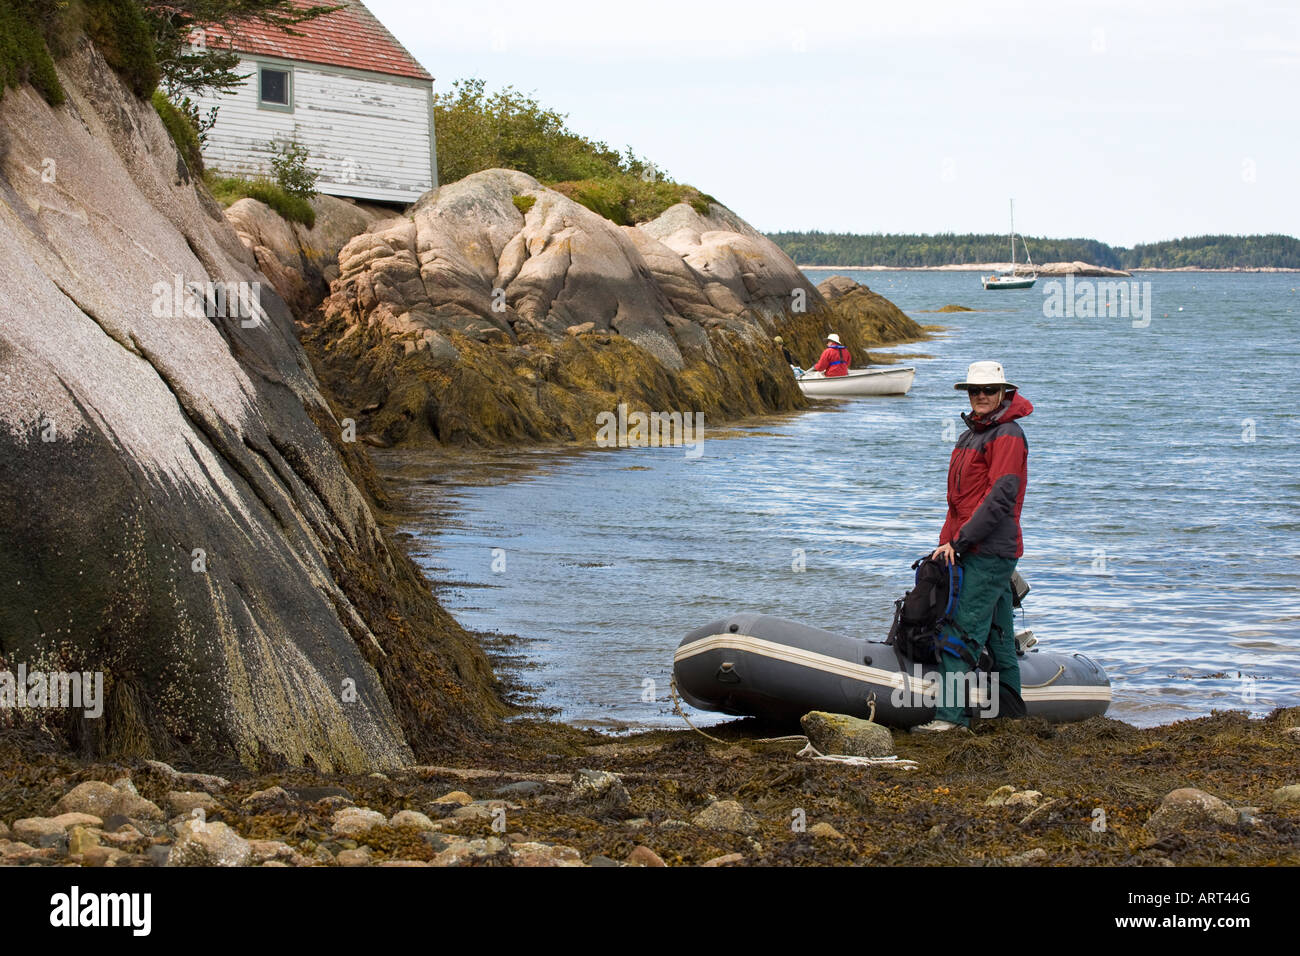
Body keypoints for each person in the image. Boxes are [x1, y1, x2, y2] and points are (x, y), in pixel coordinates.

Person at [913, 361, 1031, 733]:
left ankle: (951, 720)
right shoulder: (970, 436)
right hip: (971, 549)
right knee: (998, 636)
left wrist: (960, 542)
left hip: (988, 551)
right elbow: (959, 501)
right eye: (974, 390)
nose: (980, 396)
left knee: (958, 632)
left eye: (988, 390)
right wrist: (945, 544)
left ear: (1003, 394)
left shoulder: (1007, 435)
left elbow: (1000, 497)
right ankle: (1012, 719)